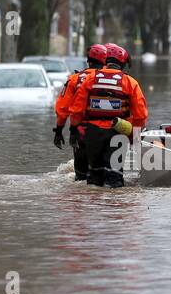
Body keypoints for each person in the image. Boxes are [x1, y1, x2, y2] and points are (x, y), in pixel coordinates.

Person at [67, 43, 148, 187]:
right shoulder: (130, 82)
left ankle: (94, 206)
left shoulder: (90, 79)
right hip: (118, 132)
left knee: (94, 177)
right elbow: (140, 115)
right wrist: (134, 137)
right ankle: (112, 208)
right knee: (114, 177)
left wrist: (73, 130)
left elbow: (77, 109)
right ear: (122, 63)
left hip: (93, 133)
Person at [53, 43, 107, 181]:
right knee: (107, 177)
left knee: (81, 179)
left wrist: (59, 131)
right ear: (105, 61)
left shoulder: (74, 79)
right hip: (108, 132)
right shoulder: (111, 80)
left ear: (88, 60)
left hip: (81, 132)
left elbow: (62, 109)